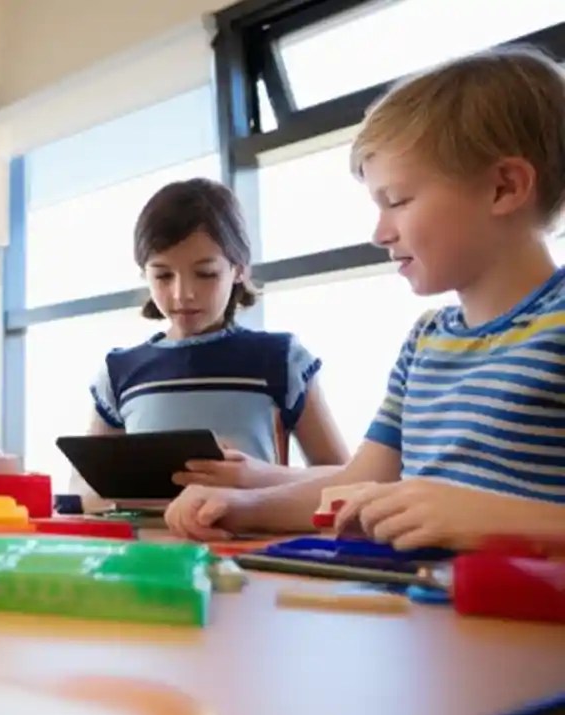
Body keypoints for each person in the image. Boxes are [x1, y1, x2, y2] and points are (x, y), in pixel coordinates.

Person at [165, 47, 565, 550]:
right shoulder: (426, 339)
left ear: (505, 188)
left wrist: (493, 518)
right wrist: (243, 507)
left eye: (397, 201)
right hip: (423, 610)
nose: (380, 232)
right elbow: (361, 484)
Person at [72, 179, 347, 511]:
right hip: (148, 549)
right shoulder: (119, 371)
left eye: (205, 274)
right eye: (162, 276)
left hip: (248, 543)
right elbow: (82, 487)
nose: (182, 293)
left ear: (239, 270)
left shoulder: (279, 359)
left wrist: (259, 477)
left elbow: (346, 477)